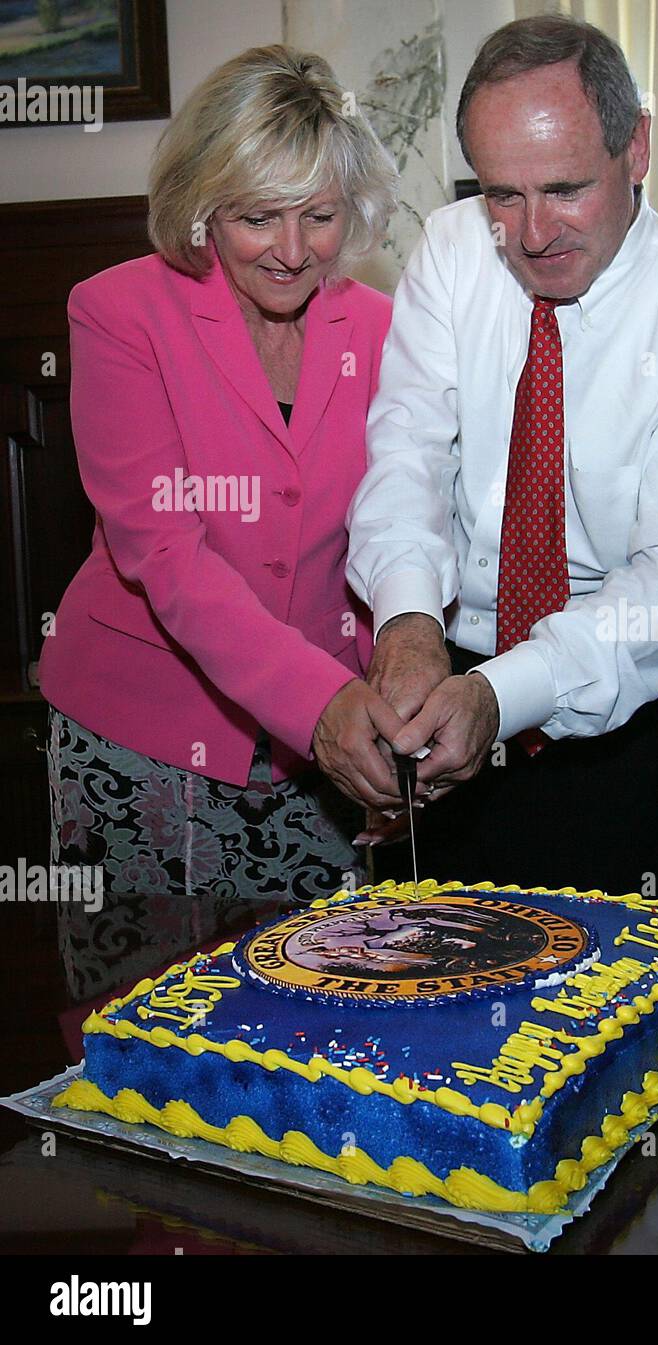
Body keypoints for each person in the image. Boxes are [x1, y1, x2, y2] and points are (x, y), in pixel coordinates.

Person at [342, 16, 658, 895]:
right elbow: (407, 451)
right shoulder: (457, 248)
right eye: (501, 193)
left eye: (566, 188)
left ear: (637, 147)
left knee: (589, 1013)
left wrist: (506, 693)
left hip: (602, 714)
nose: (531, 233)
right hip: (439, 672)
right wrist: (408, 621)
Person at [39, 46, 401, 1001]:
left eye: (320, 217)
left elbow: (391, 535)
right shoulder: (119, 311)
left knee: (321, 1020)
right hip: (138, 731)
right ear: (202, 207)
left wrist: (385, 716)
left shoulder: (381, 328)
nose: (293, 250)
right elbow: (161, 549)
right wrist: (323, 704)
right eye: (257, 218)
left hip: (321, 739)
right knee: (142, 1025)